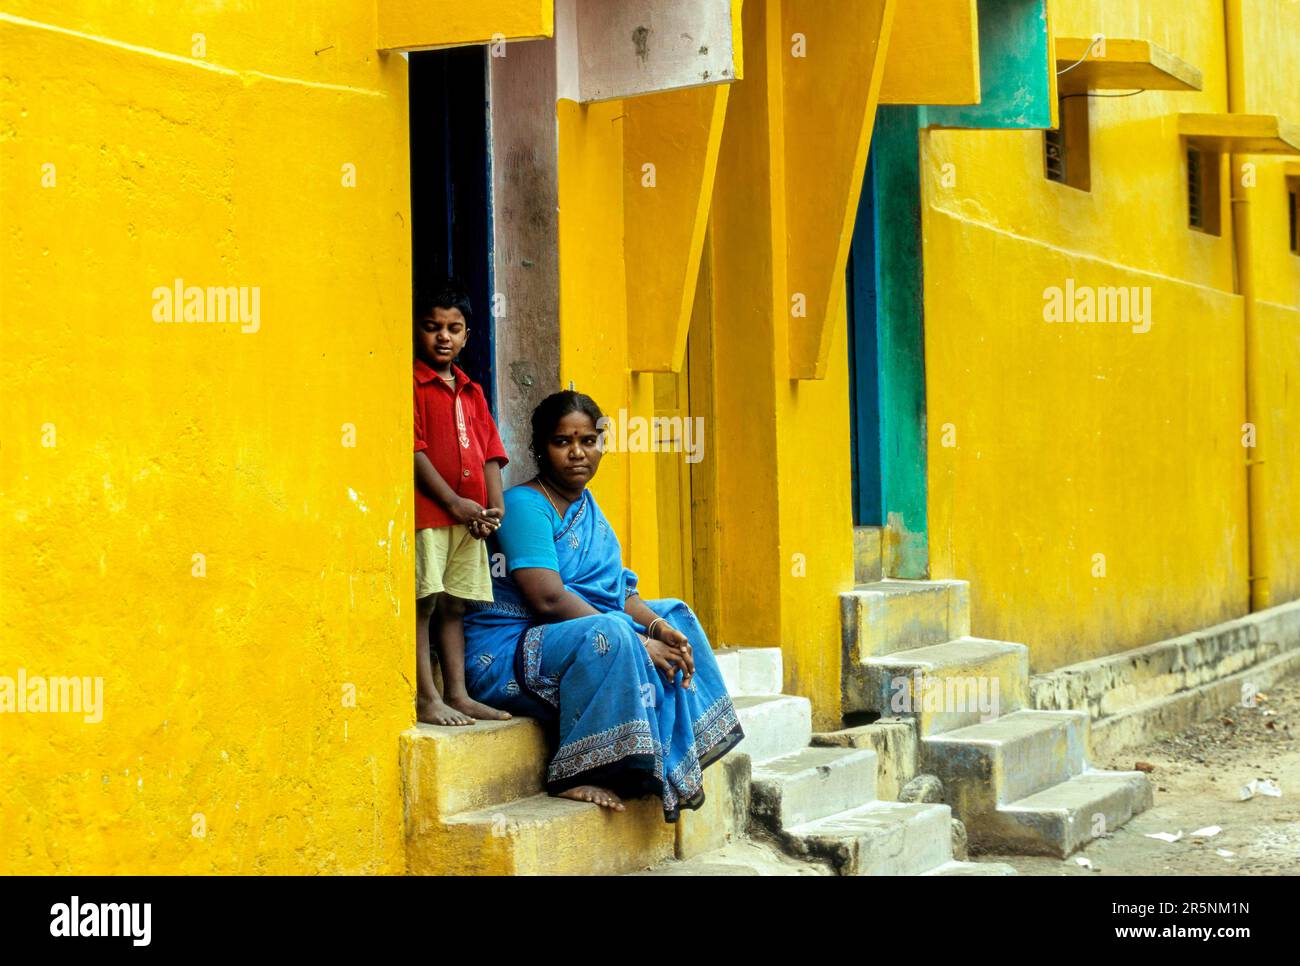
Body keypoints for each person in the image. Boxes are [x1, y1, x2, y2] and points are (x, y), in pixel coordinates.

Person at [463, 390, 743, 821]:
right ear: (541, 448)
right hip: (505, 651)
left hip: (567, 637)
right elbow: (548, 597)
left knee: (675, 614)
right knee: (610, 634)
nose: (577, 453)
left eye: (588, 441)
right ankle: (576, 771)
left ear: (601, 444)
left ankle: (668, 760)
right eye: (562, 442)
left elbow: (619, 593)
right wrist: (637, 641)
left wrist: (655, 630)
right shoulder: (524, 505)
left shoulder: (586, 507)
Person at [412, 283, 511, 726]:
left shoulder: (471, 390)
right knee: (426, 600)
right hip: (432, 515)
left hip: (472, 522)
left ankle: (458, 693)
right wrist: (453, 503)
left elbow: (491, 449)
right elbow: (413, 450)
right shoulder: (412, 384)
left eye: (454, 329)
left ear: (468, 334)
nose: (443, 337)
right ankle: (427, 698)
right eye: (433, 328)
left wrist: (495, 509)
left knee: (455, 604)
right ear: (417, 330)